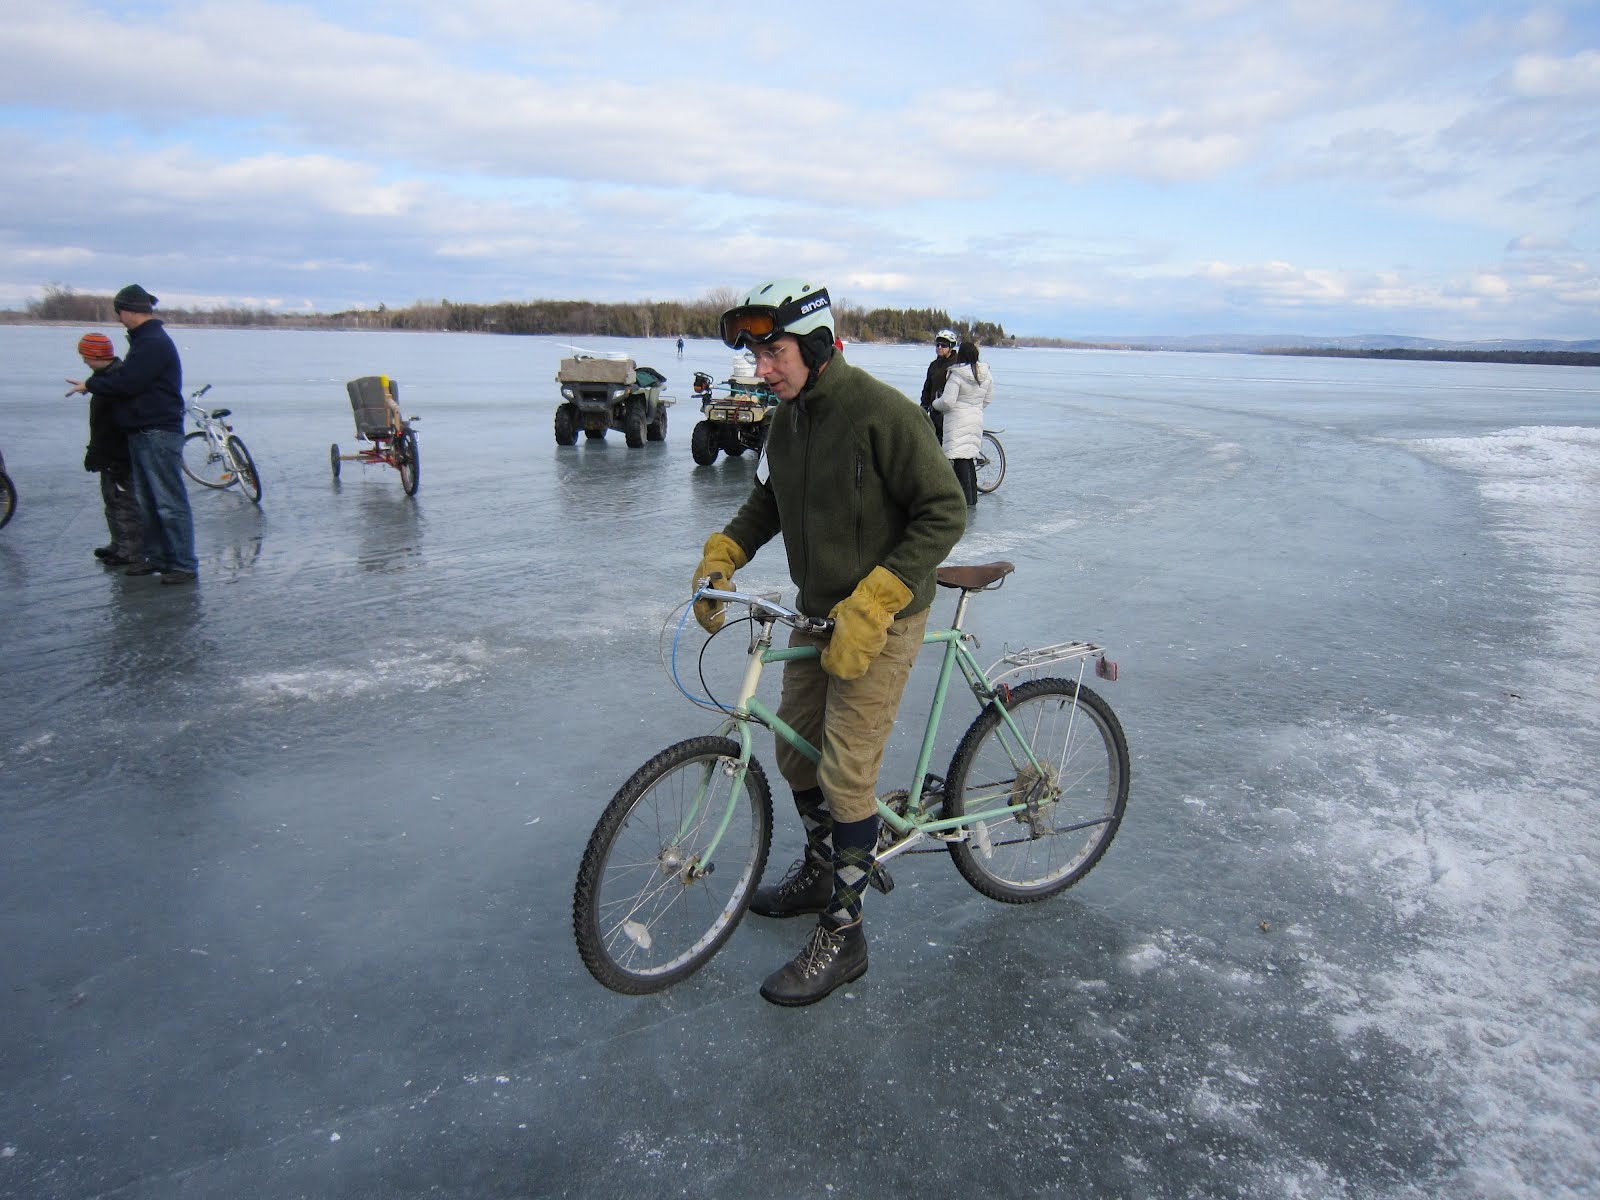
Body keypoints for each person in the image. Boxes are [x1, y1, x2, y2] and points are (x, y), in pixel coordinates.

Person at [692, 278, 966, 1006]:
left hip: (883, 619)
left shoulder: (882, 413)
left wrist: (876, 600)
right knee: (795, 751)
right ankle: (824, 872)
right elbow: (768, 501)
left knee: (847, 775)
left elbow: (945, 510)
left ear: (815, 347)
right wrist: (725, 552)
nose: (763, 370)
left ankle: (845, 935)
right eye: (756, 356)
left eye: (774, 353)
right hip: (820, 615)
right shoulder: (786, 421)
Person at [65, 285, 198, 585]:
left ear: (127, 311)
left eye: (119, 312)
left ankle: (183, 564)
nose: (118, 318)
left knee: (168, 502)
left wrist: (91, 385)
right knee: (148, 503)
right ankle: (160, 558)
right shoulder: (144, 341)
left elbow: (129, 383)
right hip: (142, 431)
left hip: (157, 432)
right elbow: (128, 380)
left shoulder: (153, 343)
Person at [74, 332, 148, 568]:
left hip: (119, 454)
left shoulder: (115, 380)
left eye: (86, 356)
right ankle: (119, 543)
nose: (84, 361)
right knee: (112, 500)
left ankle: (130, 551)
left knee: (123, 501)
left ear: (97, 355)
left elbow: (120, 423)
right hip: (109, 452)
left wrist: (115, 455)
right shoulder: (104, 379)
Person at [933, 341, 992, 506]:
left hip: (957, 421)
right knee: (969, 457)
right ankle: (972, 500)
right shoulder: (986, 374)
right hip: (975, 419)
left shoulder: (957, 375)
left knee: (960, 459)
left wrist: (935, 404)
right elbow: (988, 398)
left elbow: (948, 401)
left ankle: (964, 503)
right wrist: (975, 408)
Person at [919, 328, 959, 441]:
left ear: (951, 347)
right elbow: (927, 388)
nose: (939, 347)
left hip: (950, 414)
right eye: (937, 344)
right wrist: (924, 406)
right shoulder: (934, 365)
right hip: (935, 413)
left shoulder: (957, 365)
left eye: (944, 345)